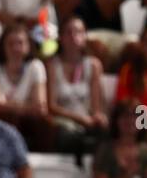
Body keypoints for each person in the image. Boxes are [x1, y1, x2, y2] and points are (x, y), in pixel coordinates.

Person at [46, 14, 108, 156]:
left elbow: (96, 106)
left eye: (78, 32)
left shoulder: (93, 65)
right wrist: (79, 119)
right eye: (68, 32)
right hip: (63, 121)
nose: (74, 36)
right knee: (67, 135)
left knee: (104, 130)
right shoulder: (52, 65)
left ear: (85, 37)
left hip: (87, 120)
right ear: (60, 37)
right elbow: (51, 106)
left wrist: (98, 117)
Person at [0, 22, 50, 151]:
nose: (15, 48)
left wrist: (11, 106)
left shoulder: (35, 66)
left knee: (44, 124)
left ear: (28, 46)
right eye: (11, 43)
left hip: (28, 122)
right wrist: (27, 107)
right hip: (1, 119)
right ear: (2, 46)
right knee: (8, 119)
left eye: (20, 43)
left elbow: (41, 108)